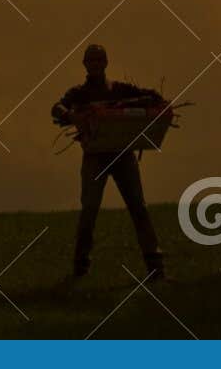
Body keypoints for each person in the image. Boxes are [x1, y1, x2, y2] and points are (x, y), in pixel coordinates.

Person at [51, 44, 164, 280]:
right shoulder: (79, 93)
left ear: (106, 63)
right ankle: (80, 268)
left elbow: (150, 96)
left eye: (99, 60)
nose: (95, 64)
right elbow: (57, 107)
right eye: (90, 61)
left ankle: (156, 269)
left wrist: (154, 101)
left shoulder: (119, 89)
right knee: (90, 209)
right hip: (95, 157)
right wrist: (71, 115)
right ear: (85, 64)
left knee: (138, 207)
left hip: (123, 154)